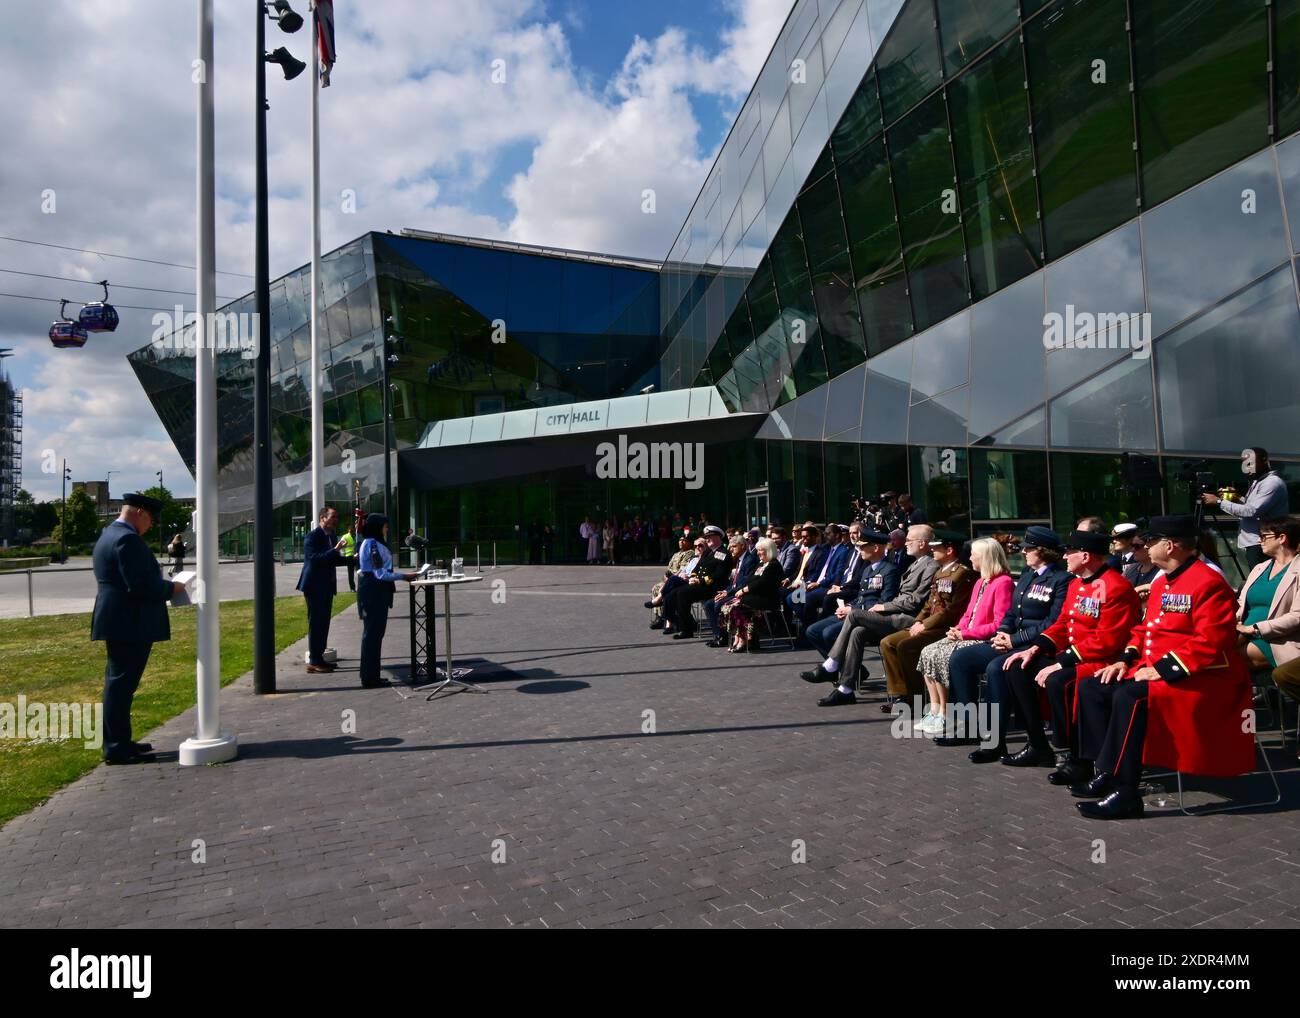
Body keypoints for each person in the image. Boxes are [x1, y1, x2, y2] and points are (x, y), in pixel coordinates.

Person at [1074, 515, 1253, 819]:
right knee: (1094, 685)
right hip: (1160, 669)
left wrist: (1160, 670)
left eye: (1149, 542)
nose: (1141, 546)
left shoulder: (1209, 582)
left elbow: (1212, 642)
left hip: (1204, 678)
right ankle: (1104, 769)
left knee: (1131, 697)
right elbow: (1145, 630)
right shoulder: (1163, 581)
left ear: (1169, 546)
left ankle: (1127, 792)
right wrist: (1125, 660)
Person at [987, 530, 1142, 775]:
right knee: (1017, 668)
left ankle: (1077, 757)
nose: (1065, 556)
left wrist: (1060, 662)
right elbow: (1062, 623)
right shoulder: (1077, 583)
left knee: (1059, 680)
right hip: (1074, 653)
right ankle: (1038, 745)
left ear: (1085, 555)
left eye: (1070, 552)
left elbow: (1107, 640)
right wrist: (1036, 648)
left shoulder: (1116, 587)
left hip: (1101, 660)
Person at [935, 526, 1071, 749]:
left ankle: (994, 739)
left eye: (1029, 549)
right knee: (960, 659)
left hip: (1035, 645)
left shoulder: (1060, 579)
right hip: (1010, 640)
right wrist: (1003, 632)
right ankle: (966, 727)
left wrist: (1014, 640)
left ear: (1043, 551)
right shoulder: (1027, 576)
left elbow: (1052, 622)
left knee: (996, 668)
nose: (1023, 552)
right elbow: (1011, 613)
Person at [91, 493, 188, 764]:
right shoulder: (126, 539)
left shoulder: (110, 533)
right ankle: (116, 747)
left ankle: (120, 740)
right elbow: (140, 584)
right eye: (151, 519)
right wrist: (173, 588)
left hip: (120, 618)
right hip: (128, 620)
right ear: (139, 513)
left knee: (119, 683)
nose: (151, 525)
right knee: (121, 685)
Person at [800, 525, 938, 706]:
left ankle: (831, 664)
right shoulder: (916, 564)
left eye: (909, 540)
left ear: (922, 543)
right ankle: (846, 690)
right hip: (894, 614)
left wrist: (883, 606)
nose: (905, 543)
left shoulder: (930, 565)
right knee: (858, 632)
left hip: (907, 618)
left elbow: (915, 600)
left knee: (855, 616)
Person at [912, 538, 1014, 736]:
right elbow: (968, 614)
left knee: (942, 655)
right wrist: (957, 629)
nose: (970, 558)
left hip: (982, 639)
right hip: (966, 634)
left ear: (984, 557)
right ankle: (935, 709)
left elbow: (998, 624)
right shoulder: (980, 582)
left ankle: (945, 712)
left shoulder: (1003, 583)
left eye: (973, 554)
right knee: (928, 651)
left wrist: (965, 633)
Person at [874, 536, 976, 713]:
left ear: (949, 550)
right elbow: (930, 603)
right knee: (888, 642)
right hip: (929, 625)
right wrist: (918, 621)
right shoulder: (940, 571)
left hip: (945, 628)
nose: (932, 550)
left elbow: (952, 610)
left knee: (906, 646)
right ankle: (901, 694)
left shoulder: (962, 573)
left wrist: (925, 624)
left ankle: (917, 699)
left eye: (937, 547)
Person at [802, 532, 901, 660]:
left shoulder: (889, 570)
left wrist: (853, 610)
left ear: (876, 548)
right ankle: (840, 668)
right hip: (854, 612)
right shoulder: (868, 569)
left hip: (870, 618)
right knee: (812, 631)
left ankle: (843, 670)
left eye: (863, 547)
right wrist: (848, 606)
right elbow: (862, 596)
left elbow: (885, 602)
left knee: (828, 633)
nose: (860, 550)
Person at [355, 513, 419, 688]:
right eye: (384, 525)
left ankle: (372, 674)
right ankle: (369, 677)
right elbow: (380, 573)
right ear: (377, 527)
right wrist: (404, 576)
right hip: (373, 592)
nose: (387, 528)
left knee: (375, 635)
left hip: (378, 592)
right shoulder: (372, 544)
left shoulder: (375, 543)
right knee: (372, 635)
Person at [1201, 447, 1290, 568]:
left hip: (1263, 542)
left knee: (1260, 581)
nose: (1247, 468)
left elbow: (1252, 511)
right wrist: (1237, 499)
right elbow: (1250, 507)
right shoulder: (1258, 481)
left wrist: (1218, 502)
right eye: (1244, 464)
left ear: (1264, 460)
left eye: (1250, 463)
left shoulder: (1272, 483)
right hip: (1256, 542)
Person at [1235, 518, 1300, 675]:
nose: (1259, 540)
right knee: (1210, 652)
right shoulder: (1259, 568)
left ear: (1282, 538)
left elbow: (1297, 616)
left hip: (1280, 640)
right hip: (1243, 633)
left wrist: (1256, 629)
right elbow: (1241, 603)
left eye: (1263, 536)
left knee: (1229, 659)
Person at [296, 507, 347, 675]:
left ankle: (319, 657)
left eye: (337, 517)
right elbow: (315, 559)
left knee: (324, 623)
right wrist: (335, 550)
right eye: (333, 517)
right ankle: (314, 661)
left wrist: (352, 560)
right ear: (322, 518)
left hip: (327, 586)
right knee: (316, 623)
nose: (335, 520)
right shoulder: (312, 536)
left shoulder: (331, 536)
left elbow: (334, 560)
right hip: (314, 586)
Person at [663, 526, 732, 639]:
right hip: (700, 585)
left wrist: (700, 580)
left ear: (718, 537)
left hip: (713, 587)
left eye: (710, 537)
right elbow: (697, 568)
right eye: (706, 537)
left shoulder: (722, 553)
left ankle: (686, 629)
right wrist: (693, 577)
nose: (707, 539)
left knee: (682, 593)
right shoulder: (707, 552)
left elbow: (719, 575)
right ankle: (683, 625)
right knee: (674, 593)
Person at [720, 538, 785, 652]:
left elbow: (762, 583)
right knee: (730, 605)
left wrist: (744, 590)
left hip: (768, 598)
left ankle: (746, 639)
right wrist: (743, 590)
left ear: (769, 550)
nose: (758, 553)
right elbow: (751, 579)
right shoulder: (761, 564)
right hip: (757, 596)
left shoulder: (774, 565)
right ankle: (740, 637)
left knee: (738, 606)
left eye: (761, 550)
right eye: (758, 550)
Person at [1121, 532, 1159, 597]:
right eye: (1132, 546)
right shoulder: (1130, 569)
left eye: (1137, 546)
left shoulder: (1161, 570)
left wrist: (1143, 588)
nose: (1132, 550)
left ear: (1149, 546)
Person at [339, 519, 359, 592]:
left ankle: (358, 586)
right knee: (351, 574)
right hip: (349, 557)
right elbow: (341, 546)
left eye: (352, 531)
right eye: (350, 531)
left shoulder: (355, 536)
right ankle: (352, 588)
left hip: (355, 556)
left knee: (359, 571)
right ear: (348, 530)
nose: (351, 532)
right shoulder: (345, 537)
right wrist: (343, 555)